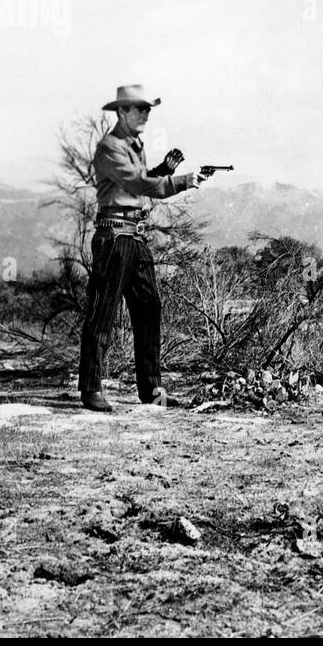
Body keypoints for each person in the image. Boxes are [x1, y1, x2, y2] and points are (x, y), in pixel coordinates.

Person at [77, 85, 210, 412]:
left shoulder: (133, 146)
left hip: (135, 237)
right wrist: (179, 181)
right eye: (139, 110)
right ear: (122, 112)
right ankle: (91, 389)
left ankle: (151, 390)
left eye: (148, 110)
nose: (146, 116)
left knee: (149, 309)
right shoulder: (110, 147)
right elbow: (135, 184)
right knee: (102, 312)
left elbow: (138, 184)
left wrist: (164, 171)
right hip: (114, 238)